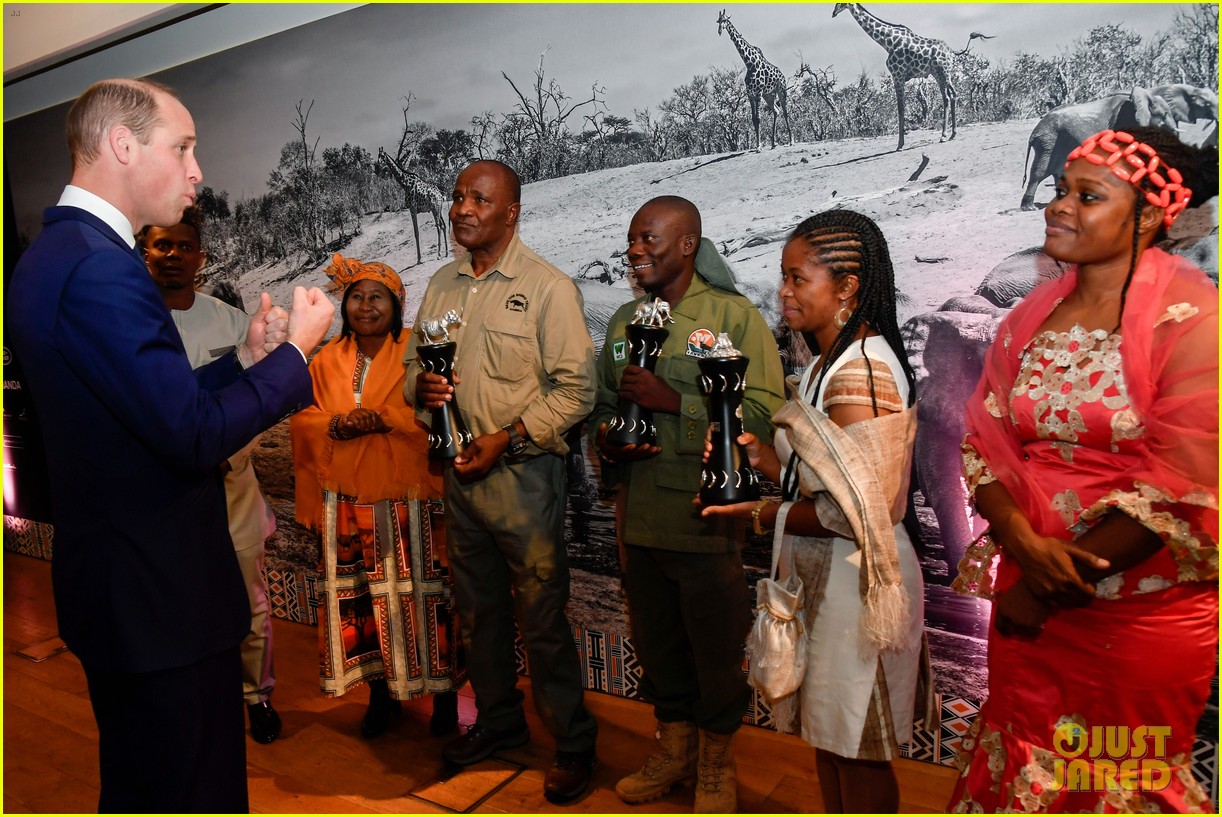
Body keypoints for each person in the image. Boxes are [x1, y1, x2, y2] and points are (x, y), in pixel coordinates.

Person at [4, 78, 334, 812]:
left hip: (124, 592)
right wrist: (295, 358)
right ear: (122, 144)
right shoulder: (101, 268)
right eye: (182, 147)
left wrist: (243, 362)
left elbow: (141, 407)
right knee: (191, 791)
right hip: (161, 602)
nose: (197, 171)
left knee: (146, 785)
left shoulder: (57, 253)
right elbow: (187, 437)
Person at [948, 127, 1218, 813]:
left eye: (1087, 196)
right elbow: (984, 445)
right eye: (1061, 190)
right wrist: (1022, 547)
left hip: (1139, 614)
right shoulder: (1029, 320)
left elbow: (1186, 483)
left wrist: (1045, 587)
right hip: (1028, 605)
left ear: (1151, 217)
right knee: (1024, 760)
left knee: (1116, 778)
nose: (1057, 207)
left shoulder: (1193, 322)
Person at [697, 209, 927, 813]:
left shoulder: (862, 373)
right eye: (784, 277)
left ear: (846, 286)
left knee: (857, 744)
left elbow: (856, 512)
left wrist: (757, 512)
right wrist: (754, 458)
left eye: (798, 279)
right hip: (828, 579)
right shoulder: (829, 364)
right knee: (830, 739)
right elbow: (823, 481)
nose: (784, 292)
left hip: (858, 585)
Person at [403, 159, 599, 805]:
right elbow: (412, 374)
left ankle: (572, 743)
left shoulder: (547, 287)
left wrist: (507, 437)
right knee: (477, 613)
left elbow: (577, 390)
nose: (462, 208)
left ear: (510, 212)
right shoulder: (440, 284)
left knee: (541, 618)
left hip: (524, 479)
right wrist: (422, 389)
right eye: (459, 196)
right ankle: (497, 720)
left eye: (479, 199)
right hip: (460, 480)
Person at [591, 195, 786, 813]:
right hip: (639, 518)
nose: (635, 250)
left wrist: (672, 401)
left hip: (706, 519)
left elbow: (761, 414)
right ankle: (674, 752)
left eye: (648, 238)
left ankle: (716, 766)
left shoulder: (731, 318)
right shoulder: (624, 321)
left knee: (714, 648)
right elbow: (602, 408)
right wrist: (607, 440)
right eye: (631, 240)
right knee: (657, 646)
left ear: (687, 244)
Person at [289, 254, 463, 740]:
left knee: (427, 598)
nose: (365, 306)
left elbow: (444, 412)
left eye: (377, 297)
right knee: (365, 601)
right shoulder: (323, 360)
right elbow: (303, 418)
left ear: (397, 305)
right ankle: (380, 696)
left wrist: (386, 418)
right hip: (346, 503)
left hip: (413, 500)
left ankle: (445, 699)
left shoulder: (420, 352)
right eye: (356, 297)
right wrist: (337, 423)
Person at [141, 209, 283, 745]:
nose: (172, 256)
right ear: (144, 252)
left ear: (201, 256)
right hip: (165, 498)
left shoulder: (229, 321)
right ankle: (194, 704)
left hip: (231, 491)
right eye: (160, 246)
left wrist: (223, 451)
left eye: (183, 246)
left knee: (251, 607)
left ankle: (258, 697)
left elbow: (256, 401)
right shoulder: (133, 324)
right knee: (175, 607)